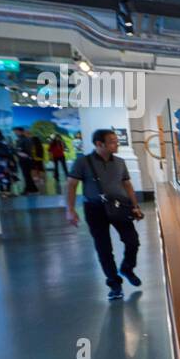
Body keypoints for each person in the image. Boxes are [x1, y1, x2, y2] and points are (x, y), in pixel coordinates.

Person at [65, 128, 144, 300]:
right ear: (99, 144)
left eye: (117, 140)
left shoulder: (120, 162)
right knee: (104, 248)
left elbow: (127, 185)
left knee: (133, 241)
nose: (117, 144)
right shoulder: (83, 162)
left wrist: (135, 206)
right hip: (95, 209)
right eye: (113, 141)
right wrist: (70, 209)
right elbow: (71, 185)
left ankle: (127, 268)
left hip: (120, 206)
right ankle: (114, 283)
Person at [12, 126, 38, 194]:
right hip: (24, 159)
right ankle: (33, 189)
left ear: (21, 131)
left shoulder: (24, 140)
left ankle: (28, 189)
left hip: (25, 160)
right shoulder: (22, 139)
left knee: (26, 175)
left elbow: (25, 151)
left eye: (16, 132)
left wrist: (16, 151)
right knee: (27, 175)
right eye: (15, 132)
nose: (15, 133)